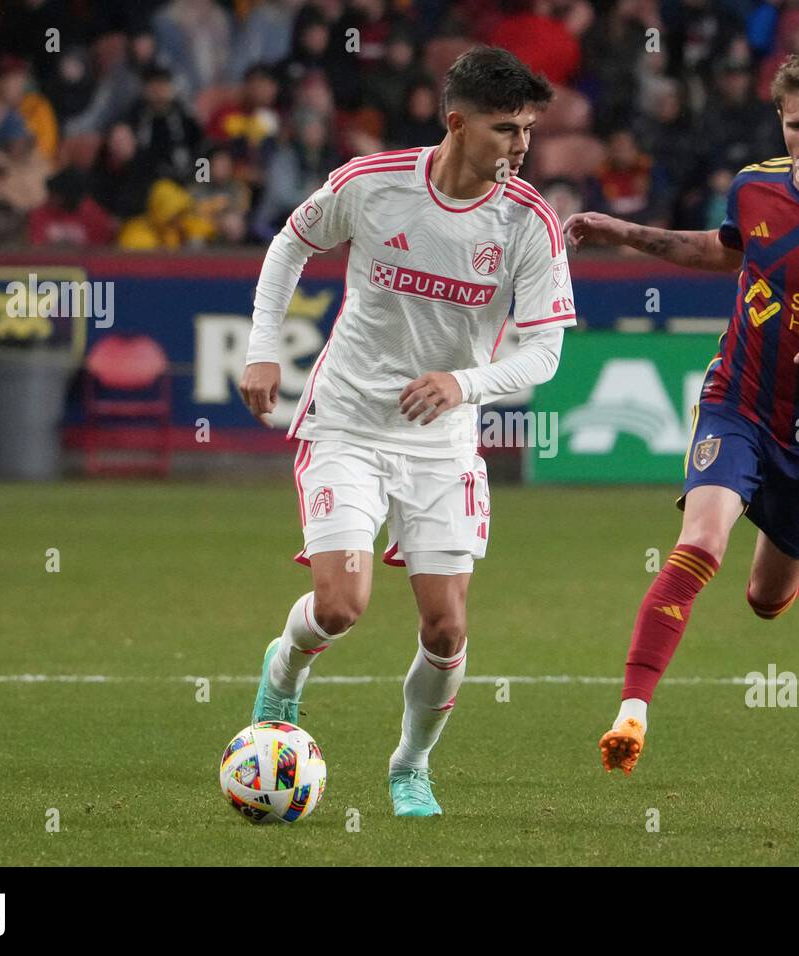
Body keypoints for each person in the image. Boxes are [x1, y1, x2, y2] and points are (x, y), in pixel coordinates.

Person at [564, 52, 799, 776]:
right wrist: (624, 232)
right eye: (796, 123)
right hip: (736, 403)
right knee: (701, 544)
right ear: (782, 121)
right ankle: (632, 713)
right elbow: (722, 252)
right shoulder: (753, 188)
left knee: (765, 602)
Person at [239, 46, 577, 817]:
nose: (520, 147)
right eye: (504, 130)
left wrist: (462, 383)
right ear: (456, 122)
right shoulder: (373, 184)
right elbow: (291, 242)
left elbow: (546, 352)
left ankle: (409, 766)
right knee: (340, 606)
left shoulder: (530, 224)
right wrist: (264, 348)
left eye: (527, 130)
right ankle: (283, 675)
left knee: (447, 625)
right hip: (349, 422)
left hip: (444, 439)